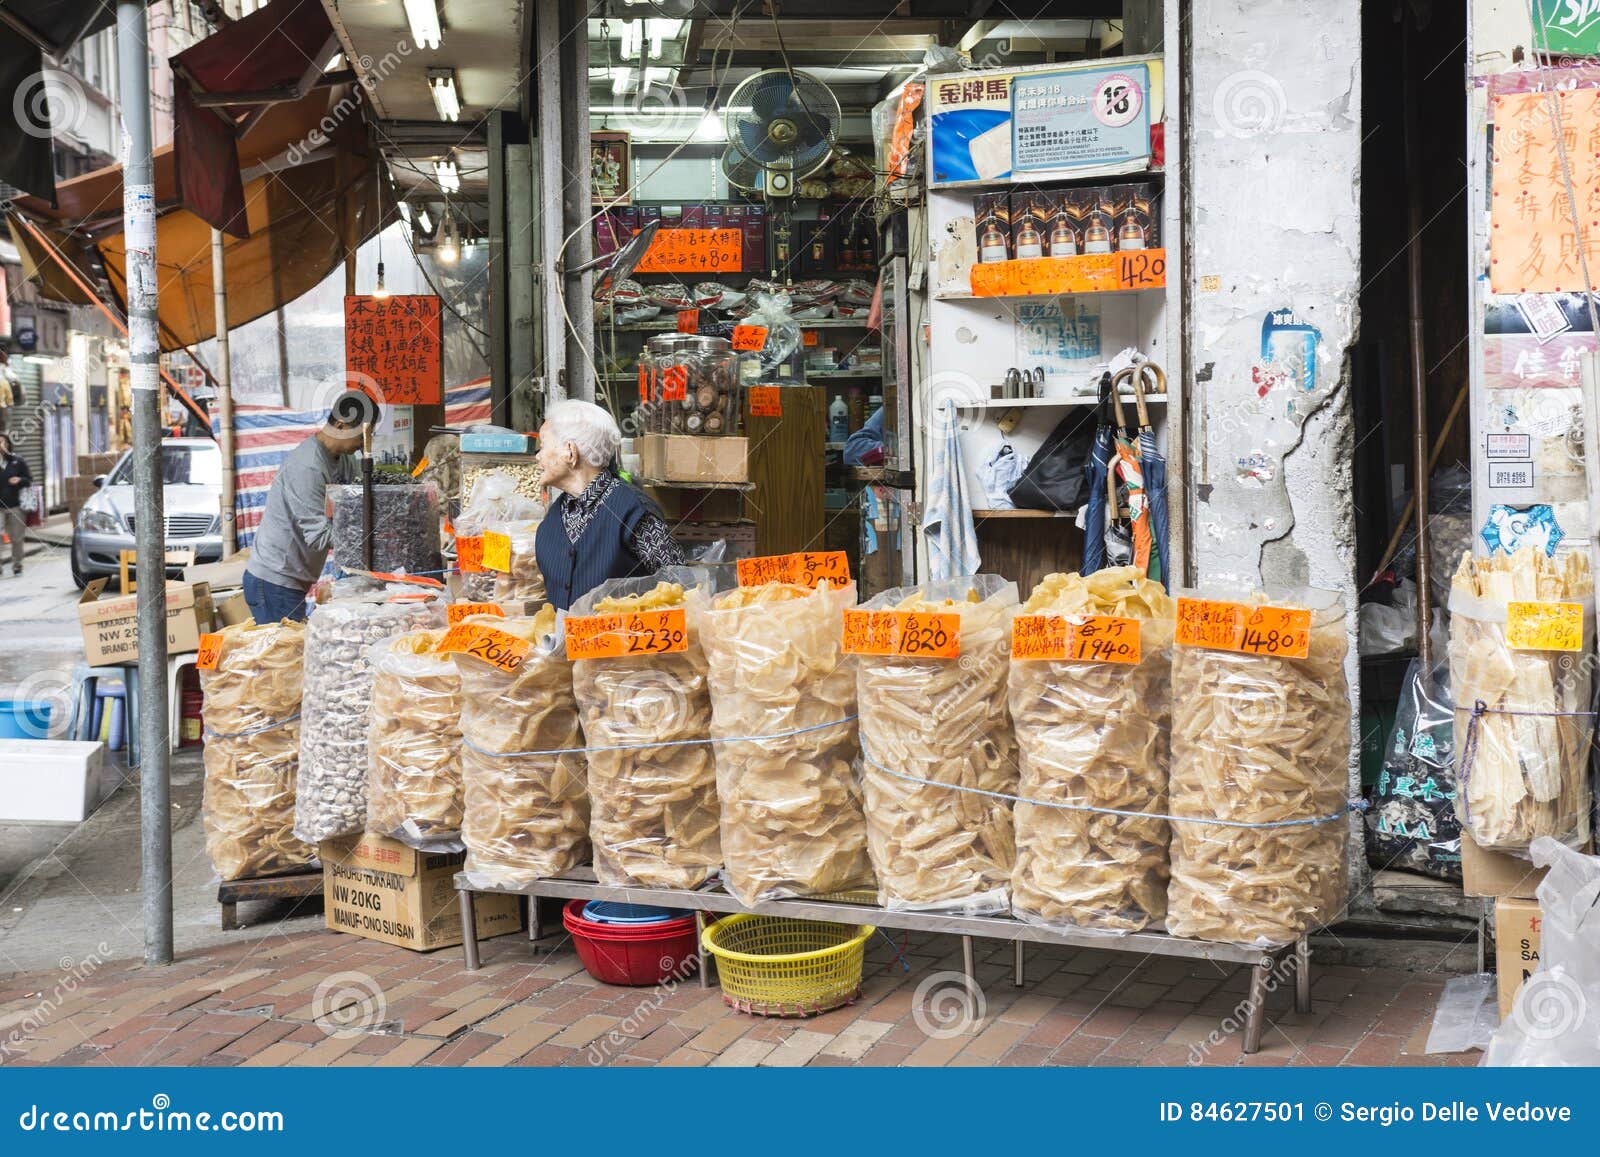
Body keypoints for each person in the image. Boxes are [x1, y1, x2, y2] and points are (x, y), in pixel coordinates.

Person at [534, 399, 685, 610]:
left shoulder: (634, 512)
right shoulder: (554, 516)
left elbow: (679, 585)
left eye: (542, 446)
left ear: (570, 451)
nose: (537, 456)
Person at [242, 410, 363, 623]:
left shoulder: (347, 459)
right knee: (285, 654)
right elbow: (318, 537)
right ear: (342, 425)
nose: (364, 443)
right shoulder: (308, 466)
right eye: (361, 435)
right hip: (274, 582)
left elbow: (359, 498)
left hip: (294, 580)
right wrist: (368, 533)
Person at [0, 433, 32, 577]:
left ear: (7, 444)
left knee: (17, 538)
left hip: (15, 506)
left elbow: (29, 480)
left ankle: (17, 565)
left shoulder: (17, 461)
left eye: (2, 442)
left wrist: (19, 480)